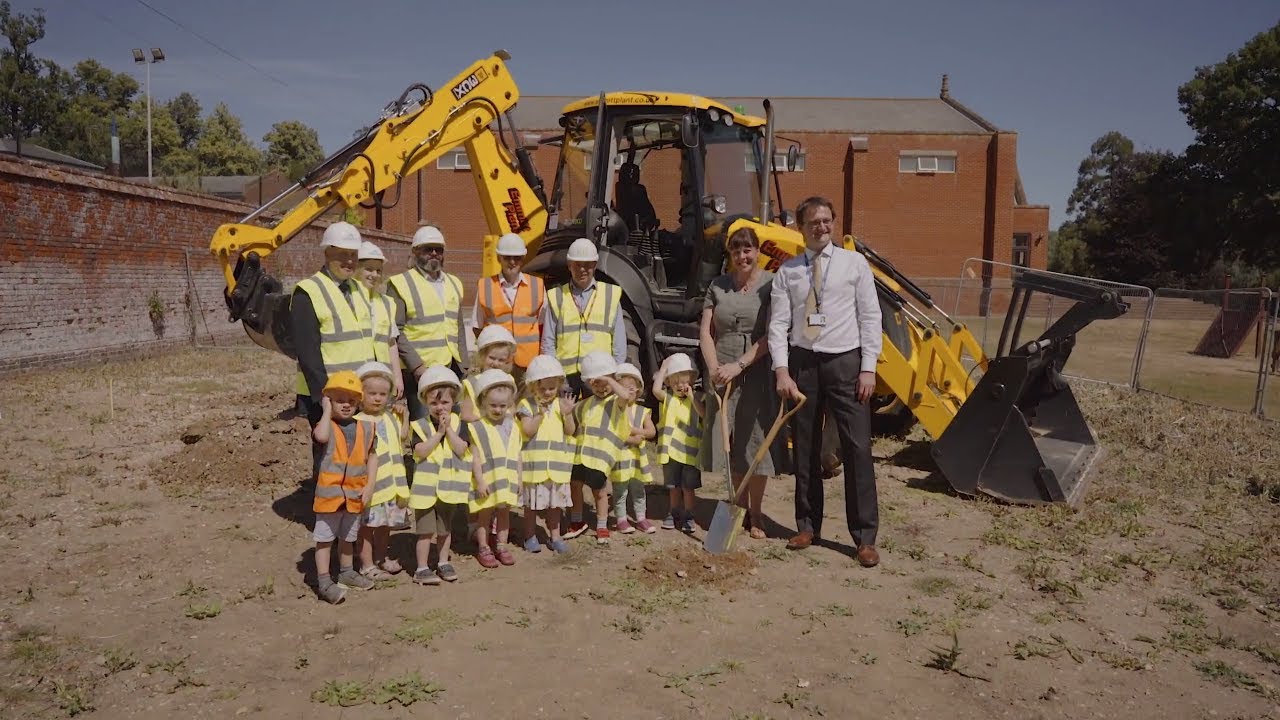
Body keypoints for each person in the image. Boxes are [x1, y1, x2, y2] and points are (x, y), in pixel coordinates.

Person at [768, 196, 882, 567]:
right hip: (803, 364)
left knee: (857, 449)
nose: (822, 227)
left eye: (827, 220)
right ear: (800, 227)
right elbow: (778, 325)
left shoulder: (854, 264)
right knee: (805, 448)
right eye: (814, 222)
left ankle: (864, 538)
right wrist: (782, 370)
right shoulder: (788, 272)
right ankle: (806, 525)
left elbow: (870, 316)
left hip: (846, 363)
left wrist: (868, 367)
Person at [699, 226, 781, 540]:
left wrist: (739, 365)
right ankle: (739, 506)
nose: (742, 256)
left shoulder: (771, 285)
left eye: (747, 250)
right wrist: (714, 367)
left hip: (756, 369)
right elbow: (706, 331)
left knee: (756, 442)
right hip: (721, 368)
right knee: (730, 441)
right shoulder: (717, 286)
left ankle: (757, 510)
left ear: (758, 252)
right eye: (736, 251)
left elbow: (772, 334)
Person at [290, 221, 373, 483]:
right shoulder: (308, 291)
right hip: (329, 396)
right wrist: (325, 397)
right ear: (327, 253)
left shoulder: (359, 289)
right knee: (329, 459)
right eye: (342, 254)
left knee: (358, 456)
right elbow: (307, 351)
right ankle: (324, 515)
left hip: (358, 392)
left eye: (353, 255)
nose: (349, 261)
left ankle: (351, 515)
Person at [310, 370, 379, 604]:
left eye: (351, 400)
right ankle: (323, 581)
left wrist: (369, 485)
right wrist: (326, 410)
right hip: (329, 498)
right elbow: (320, 436)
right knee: (325, 539)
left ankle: (347, 572)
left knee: (348, 537)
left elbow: (372, 456)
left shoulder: (367, 428)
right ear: (329, 400)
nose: (346, 405)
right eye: (339, 400)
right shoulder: (326, 425)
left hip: (354, 495)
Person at [387, 225, 465, 420]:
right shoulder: (400, 284)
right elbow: (396, 330)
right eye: (427, 248)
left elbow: (459, 326)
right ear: (415, 252)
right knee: (423, 427)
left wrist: (465, 364)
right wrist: (417, 367)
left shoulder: (454, 283)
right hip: (420, 371)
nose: (433, 253)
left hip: (450, 367)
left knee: (454, 423)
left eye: (438, 249)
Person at [407, 366, 473, 586]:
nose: (439, 407)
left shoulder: (459, 423)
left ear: (453, 401)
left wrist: (450, 431)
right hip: (426, 490)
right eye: (434, 403)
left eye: (444, 402)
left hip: (449, 488)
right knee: (425, 531)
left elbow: (461, 449)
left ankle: (443, 562)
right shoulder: (418, 425)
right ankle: (422, 567)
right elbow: (420, 451)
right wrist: (439, 433)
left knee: (445, 529)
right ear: (425, 402)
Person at [540, 238, 626, 398]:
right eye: (577, 265)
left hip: (599, 373)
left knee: (597, 419)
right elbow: (548, 341)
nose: (583, 270)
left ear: (595, 266)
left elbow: (619, 340)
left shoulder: (610, 295)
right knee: (567, 419)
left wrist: (616, 372)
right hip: (565, 376)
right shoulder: (557, 296)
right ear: (569, 266)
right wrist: (551, 373)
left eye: (587, 265)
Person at [567, 351, 637, 544]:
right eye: (595, 384)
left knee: (599, 492)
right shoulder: (582, 405)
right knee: (575, 486)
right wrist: (566, 414)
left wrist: (608, 377)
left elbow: (625, 395)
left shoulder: (616, 402)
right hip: (580, 456)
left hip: (600, 459)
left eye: (604, 383)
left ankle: (601, 525)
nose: (601, 388)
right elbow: (571, 430)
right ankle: (576, 521)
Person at [353, 362, 410, 580]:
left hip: (393, 486)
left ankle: (380, 558)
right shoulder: (358, 421)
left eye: (383, 394)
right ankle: (366, 565)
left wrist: (404, 417)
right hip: (372, 489)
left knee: (385, 526)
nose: (378, 398)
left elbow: (403, 437)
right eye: (372, 393)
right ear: (361, 395)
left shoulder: (390, 417)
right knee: (367, 528)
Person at [516, 355, 576, 554]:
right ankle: (530, 536)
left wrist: (568, 414)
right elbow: (527, 430)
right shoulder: (526, 405)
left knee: (555, 505)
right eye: (542, 388)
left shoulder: (561, 404)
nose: (548, 392)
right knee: (531, 506)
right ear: (533, 386)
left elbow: (570, 431)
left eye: (552, 388)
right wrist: (540, 415)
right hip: (535, 467)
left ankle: (555, 537)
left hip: (556, 466)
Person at [471, 233, 545, 382]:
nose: (512, 262)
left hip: (528, 363)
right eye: (507, 257)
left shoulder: (537, 285)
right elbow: (477, 327)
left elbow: (543, 326)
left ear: (523, 258)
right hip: (498, 364)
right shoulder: (485, 286)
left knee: (525, 404)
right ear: (499, 258)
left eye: (517, 258)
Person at [467, 369, 522, 567]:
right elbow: (475, 456)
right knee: (484, 515)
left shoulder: (513, 426)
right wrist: (480, 480)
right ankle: (483, 546)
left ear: (509, 405)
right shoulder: (478, 426)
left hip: (506, 480)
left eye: (502, 406)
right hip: (487, 482)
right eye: (493, 405)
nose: (497, 410)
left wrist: (519, 478)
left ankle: (501, 545)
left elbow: (517, 453)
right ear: (483, 403)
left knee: (504, 514)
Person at [653, 353, 705, 534]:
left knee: (688, 487)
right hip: (670, 453)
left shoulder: (697, 399)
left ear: (691, 381)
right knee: (673, 487)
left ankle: (689, 515)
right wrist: (663, 369)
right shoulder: (668, 398)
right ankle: (673, 512)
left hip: (690, 455)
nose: (680, 386)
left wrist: (692, 398)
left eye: (683, 382)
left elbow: (704, 415)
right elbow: (655, 390)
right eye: (675, 383)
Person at [609, 362, 658, 534]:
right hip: (620, 457)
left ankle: (641, 518)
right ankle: (621, 519)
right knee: (620, 489)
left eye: (632, 388)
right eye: (623, 388)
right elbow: (613, 432)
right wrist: (631, 438)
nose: (628, 392)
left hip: (637, 458)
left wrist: (635, 431)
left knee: (638, 489)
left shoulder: (642, 411)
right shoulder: (614, 410)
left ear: (638, 389)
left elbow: (651, 432)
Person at [355, 241, 405, 401]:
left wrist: (397, 377)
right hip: (356, 377)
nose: (374, 274)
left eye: (378, 270)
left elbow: (391, 343)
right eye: (368, 269)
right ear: (357, 269)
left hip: (382, 379)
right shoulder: (347, 300)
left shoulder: (386, 302)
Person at [459, 325, 517, 422]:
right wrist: (486, 422)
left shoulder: (509, 380)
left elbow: (512, 409)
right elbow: (466, 415)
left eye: (501, 360)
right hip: (480, 433)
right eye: (492, 358)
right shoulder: (473, 382)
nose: (495, 363)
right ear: (482, 356)